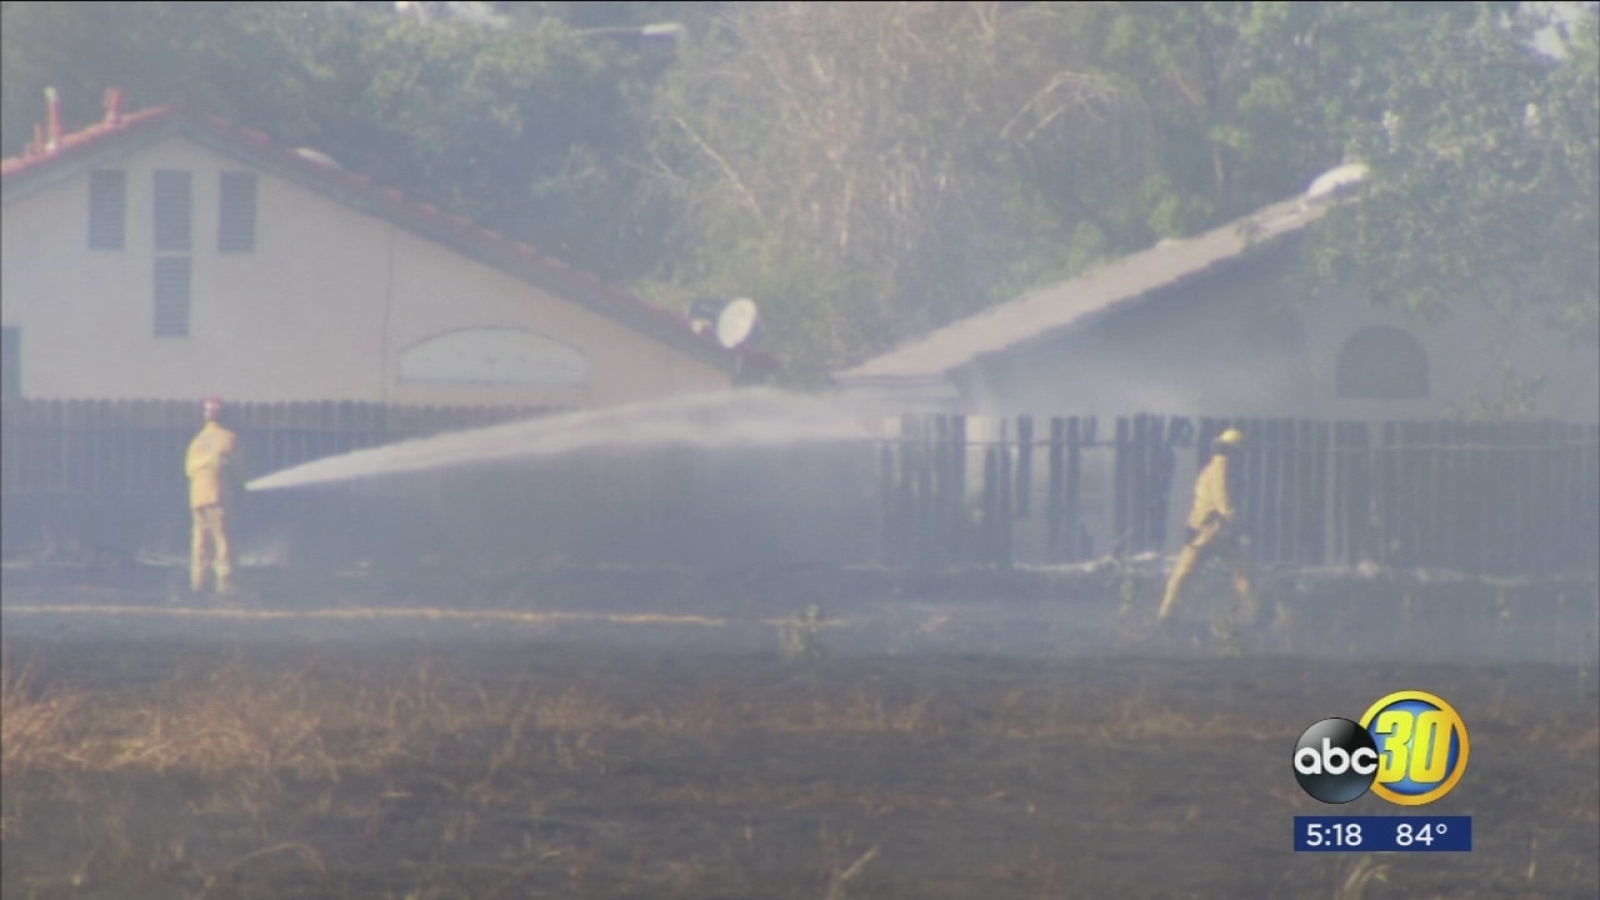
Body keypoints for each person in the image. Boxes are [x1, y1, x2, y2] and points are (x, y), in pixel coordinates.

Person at [1159, 427, 1257, 624]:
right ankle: (1255, 612)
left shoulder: (1215, 467)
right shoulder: (1223, 468)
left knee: (1183, 574)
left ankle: (1167, 615)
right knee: (1241, 572)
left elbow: (1213, 501)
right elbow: (1224, 502)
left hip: (1207, 529)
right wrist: (1240, 524)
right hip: (1214, 529)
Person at [186, 397, 240, 594]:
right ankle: (225, 583)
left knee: (200, 540)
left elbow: (189, 471)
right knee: (223, 538)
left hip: (197, 497)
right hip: (218, 494)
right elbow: (239, 470)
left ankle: (198, 582)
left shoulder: (196, 442)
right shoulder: (229, 438)